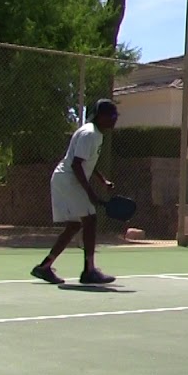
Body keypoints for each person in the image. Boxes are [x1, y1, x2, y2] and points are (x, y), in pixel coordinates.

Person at [30, 99, 119, 286]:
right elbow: (76, 164)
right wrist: (90, 193)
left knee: (74, 225)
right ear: (101, 117)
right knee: (90, 219)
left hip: (65, 179)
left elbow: (87, 161)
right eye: (112, 116)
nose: (115, 120)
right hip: (69, 179)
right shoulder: (89, 134)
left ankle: (44, 267)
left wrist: (102, 180)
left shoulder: (96, 134)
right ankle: (89, 271)